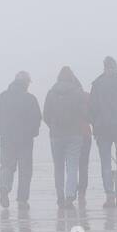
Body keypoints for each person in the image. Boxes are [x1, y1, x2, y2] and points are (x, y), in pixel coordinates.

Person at [88, 56, 117, 208]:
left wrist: (95, 124)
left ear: (104, 67)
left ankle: (109, 195)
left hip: (103, 129)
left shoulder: (97, 84)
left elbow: (92, 108)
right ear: (116, 67)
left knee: (106, 163)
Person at [0, 71, 41, 209]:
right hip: (25, 140)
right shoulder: (30, 99)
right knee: (25, 171)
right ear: (26, 83)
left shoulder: (3, 97)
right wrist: (33, 133)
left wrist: (2, 131)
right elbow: (37, 118)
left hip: (7, 139)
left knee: (7, 166)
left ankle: (4, 189)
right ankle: (22, 200)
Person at [42, 66, 88, 208]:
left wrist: (53, 126)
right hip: (75, 134)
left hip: (56, 135)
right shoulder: (78, 93)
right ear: (72, 78)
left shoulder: (51, 93)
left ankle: (60, 196)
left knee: (58, 167)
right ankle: (70, 196)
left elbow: (45, 115)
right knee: (72, 166)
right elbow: (85, 113)